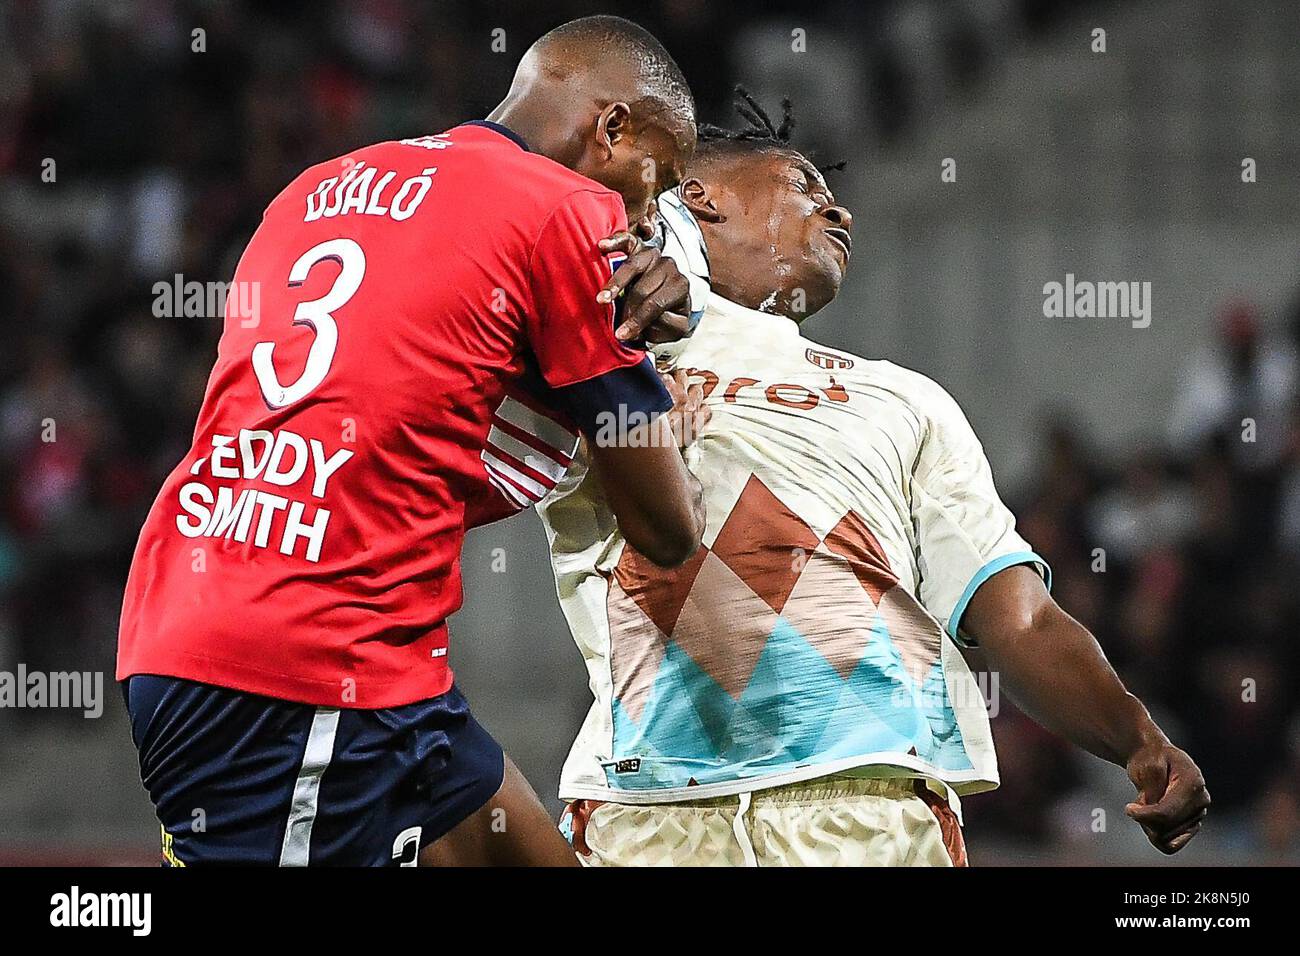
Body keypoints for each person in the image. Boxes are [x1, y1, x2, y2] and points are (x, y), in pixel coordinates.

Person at [542, 91, 1210, 866]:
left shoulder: (902, 397)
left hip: (872, 809)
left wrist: (1138, 737)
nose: (842, 214)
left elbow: (1019, 621)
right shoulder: (603, 337)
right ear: (702, 199)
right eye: (804, 187)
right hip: (647, 810)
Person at [117, 16, 704, 867]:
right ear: (612, 129)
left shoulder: (316, 186)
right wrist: (648, 365)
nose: (644, 220)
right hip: (308, 667)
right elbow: (666, 529)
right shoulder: (568, 211)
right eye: (657, 183)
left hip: (219, 609)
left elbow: (386, 417)